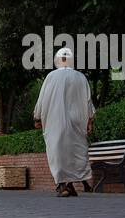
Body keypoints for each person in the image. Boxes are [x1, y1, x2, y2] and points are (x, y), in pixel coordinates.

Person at [34, 46, 95, 197]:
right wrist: (89, 121)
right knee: (76, 151)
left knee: (58, 152)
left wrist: (37, 117)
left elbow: (42, 100)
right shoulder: (81, 77)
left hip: (55, 121)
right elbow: (88, 102)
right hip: (76, 122)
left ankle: (62, 186)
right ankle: (76, 183)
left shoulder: (51, 77)